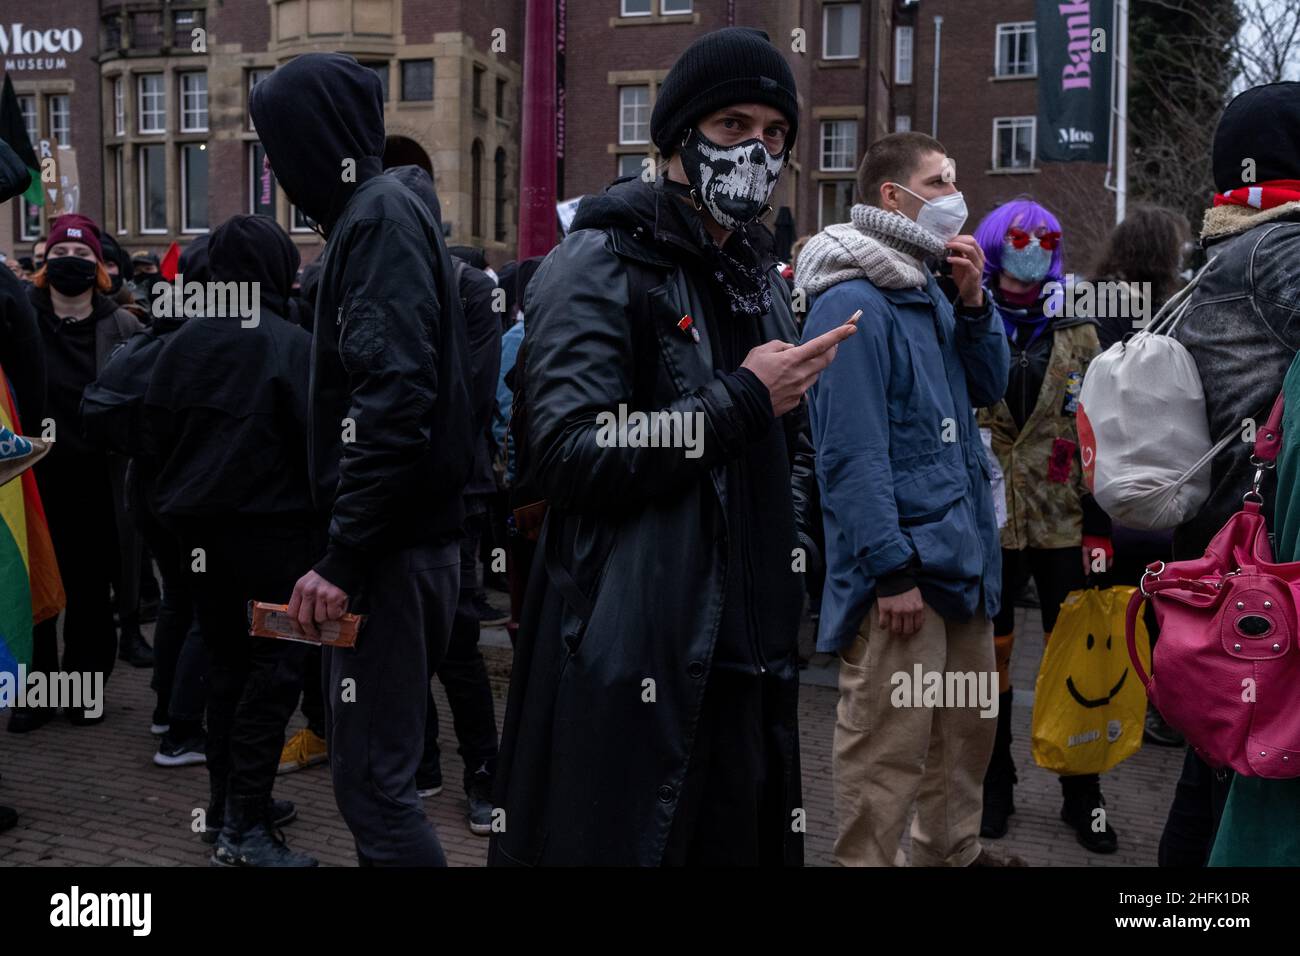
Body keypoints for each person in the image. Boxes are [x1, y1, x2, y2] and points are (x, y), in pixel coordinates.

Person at [490, 27, 850, 867]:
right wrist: (737, 401)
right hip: (639, 649)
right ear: (679, 138)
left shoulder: (757, 276)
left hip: (748, 656)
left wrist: (792, 546)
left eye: (774, 133)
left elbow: (789, 446)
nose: (755, 151)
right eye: (732, 126)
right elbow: (568, 448)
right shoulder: (599, 263)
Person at [251, 53, 476, 867]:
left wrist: (345, 553)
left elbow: (393, 399)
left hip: (390, 553)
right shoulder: (379, 215)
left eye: (276, 143)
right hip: (398, 544)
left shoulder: (376, 219)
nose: (271, 166)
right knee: (369, 777)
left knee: (375, 786)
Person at [796, 131, 1012, 867]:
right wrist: (890, 569)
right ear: (894, 196)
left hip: (961, 564)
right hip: (905, 581)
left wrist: (977, 303)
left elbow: (989, 390)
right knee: (885, 754)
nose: (956, 195)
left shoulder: (931, 291)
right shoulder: (852, 302)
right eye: (940, 180)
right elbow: (849, 454)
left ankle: (949, 857)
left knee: (961, 742)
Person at [143, 214, 318, 866]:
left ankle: (229, 810)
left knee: (226, 671)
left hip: (201, 544)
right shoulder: (290, 345)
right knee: (271, 682)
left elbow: (150, 438)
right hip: (276, 543)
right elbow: (319, 451)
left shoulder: (183, 344)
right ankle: (243, 827)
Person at [1157, 81, 1300, 867]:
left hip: (1229, 545)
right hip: (1264, 557)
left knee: (1217, 759)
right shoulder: (1280, 248)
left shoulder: (1233, 242)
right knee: (1237, 768)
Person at [968, 198, 1116, 852]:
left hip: (1063, 521)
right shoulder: (968, 319)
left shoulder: (1080, 326)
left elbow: (1099, 434)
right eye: (1021, 240)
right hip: (989, 524)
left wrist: (1102, 530)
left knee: (1076, 664)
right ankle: (993, 785)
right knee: (988, 663)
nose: (1033, 252)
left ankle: (1082, 795)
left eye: (1045, 240)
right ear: (998, 246)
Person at [386, 164, 503, 833]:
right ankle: (424, 760)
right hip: (390, 495)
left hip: (452, 495)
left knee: (456, 642)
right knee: (404, 640)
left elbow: (471, 397)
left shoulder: (468, 293)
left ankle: (484, 771)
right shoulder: (377, 286)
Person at [15, 214, 145, 732]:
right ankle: (38, 693)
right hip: (34, 479)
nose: (71, 264)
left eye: (83, 257)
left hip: (98, 481)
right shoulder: (20, 318)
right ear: (44, 265)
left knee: (91, 597)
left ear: (100, 268)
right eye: (60, 256)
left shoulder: (124, 325)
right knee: (38, 593)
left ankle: (83, 690)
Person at [1090, 204, 1189, 749]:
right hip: (1162, 466)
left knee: (1110, 598)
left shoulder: (1093, 301)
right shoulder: (1176, 307)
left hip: (1106, 467)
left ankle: (1113, 694)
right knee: (1160, 598)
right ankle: (1158, 701)